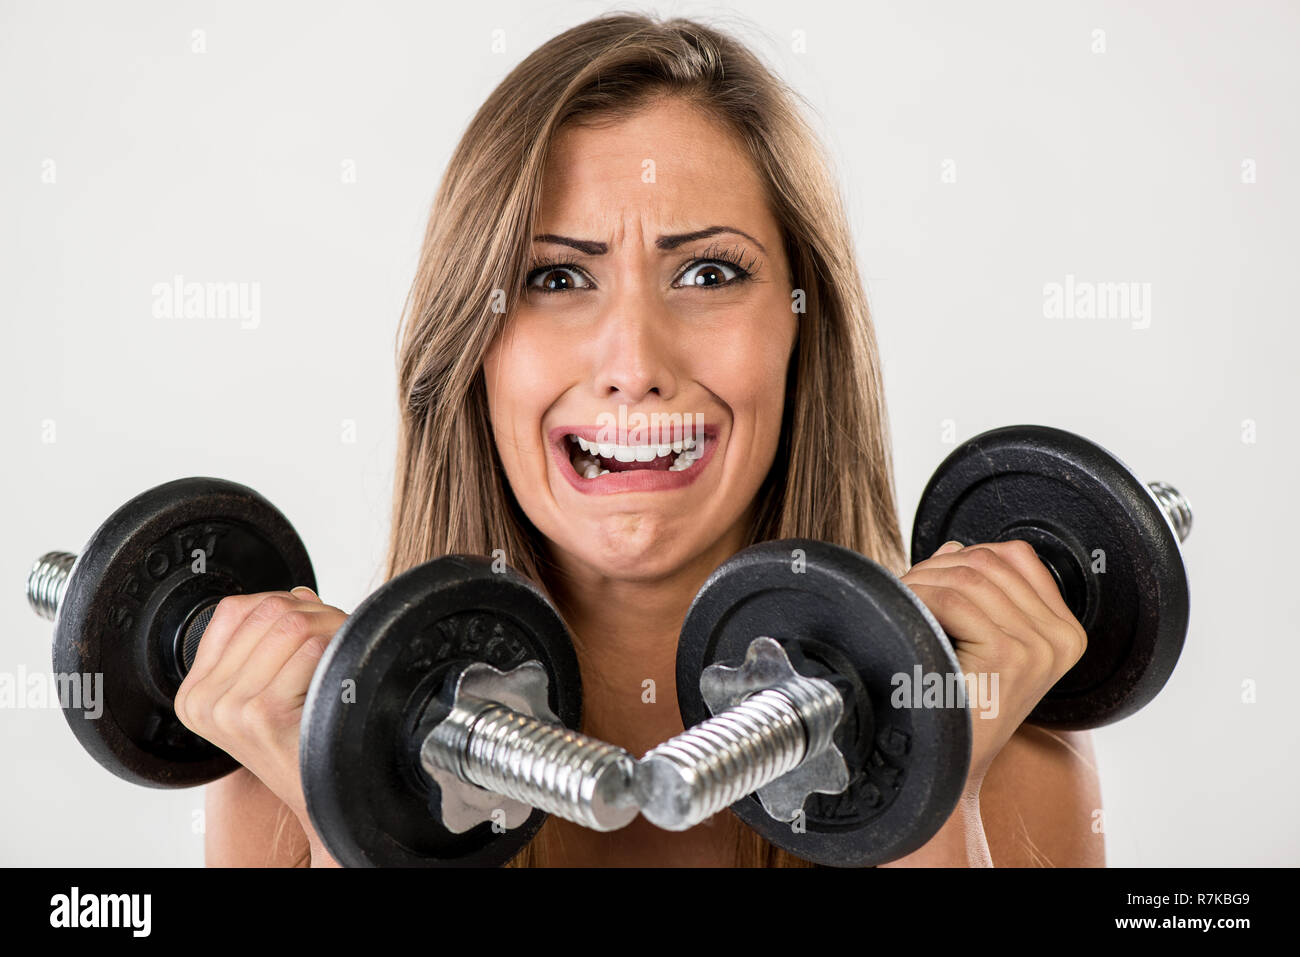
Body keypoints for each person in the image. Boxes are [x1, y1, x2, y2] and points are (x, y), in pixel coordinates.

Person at [175, 13, 1101, 868]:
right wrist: (355, 821)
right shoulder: (279, 773)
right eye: (557, 278)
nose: (633, 361)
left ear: (800, 329)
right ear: (474, 345)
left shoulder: (1007, 759)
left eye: (706, 271)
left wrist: (925, 792)